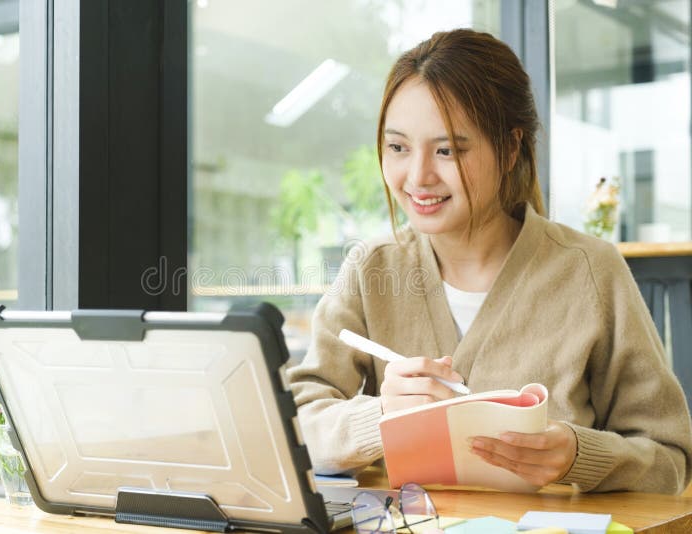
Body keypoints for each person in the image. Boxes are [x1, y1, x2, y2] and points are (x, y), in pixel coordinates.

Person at [287, 28, 692, 494]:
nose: (417, 177)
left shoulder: (591, 271)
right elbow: (293, 425)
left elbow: (670, 459)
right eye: (398, 147)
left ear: (510, 148)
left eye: (449, 150)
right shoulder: (371, 270)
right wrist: (380, 415)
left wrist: (580, 457)